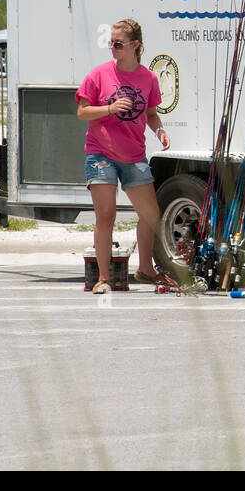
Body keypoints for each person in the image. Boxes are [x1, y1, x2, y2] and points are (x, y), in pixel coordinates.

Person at [75, 18, 170, 294]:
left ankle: (145, 269)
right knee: (106, 214)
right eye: (111, 43)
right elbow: (82, 111)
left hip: (134, 155)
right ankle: (103, 278)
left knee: (151, 214)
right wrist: (110, 108)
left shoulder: (148, 78)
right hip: (101, 153)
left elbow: (151, 113)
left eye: (118, 44)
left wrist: (160, 131)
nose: (113, 48)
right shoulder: (98, 75)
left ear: (136, 46)